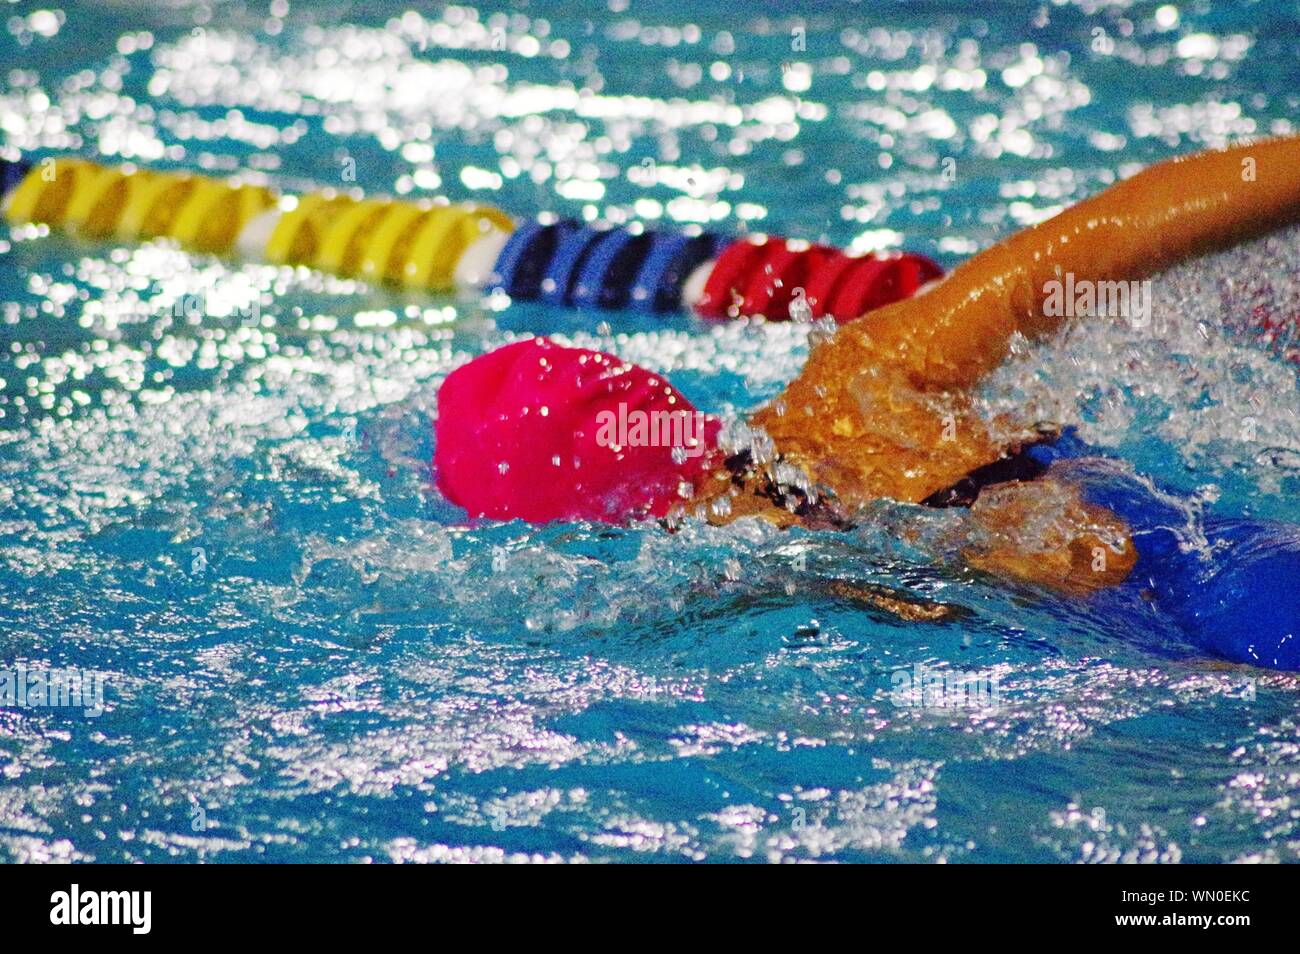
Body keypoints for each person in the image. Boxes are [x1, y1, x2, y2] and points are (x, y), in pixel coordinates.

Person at [436, 136, 1300, 669]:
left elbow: (1086, 567)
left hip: (1194, 638)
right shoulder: (857, 379)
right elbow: (1107, 233)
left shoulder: (732, 578)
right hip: (1239, 561)